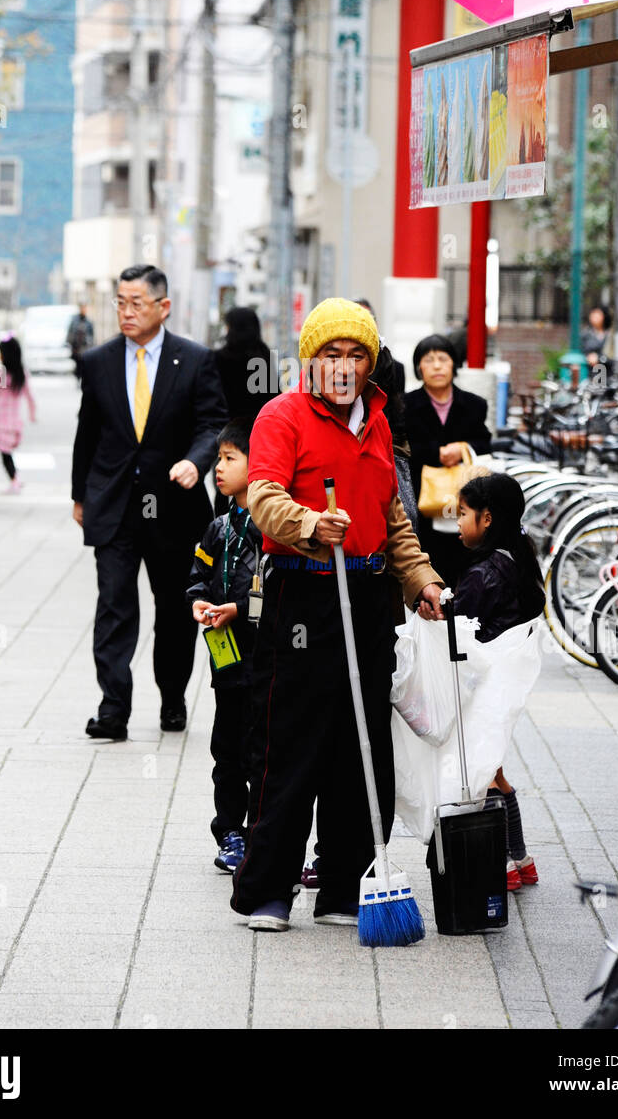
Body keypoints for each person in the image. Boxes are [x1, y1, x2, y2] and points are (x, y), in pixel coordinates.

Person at [230, 298, 444, 932]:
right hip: (304, 596)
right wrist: (309, 524)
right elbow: (263, 496)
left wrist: (422, 580)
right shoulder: (282, 414)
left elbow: (392, 519)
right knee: (291, 744)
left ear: (370, 363)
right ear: (311, 360)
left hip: (369, 595)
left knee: (361, 747)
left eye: (356, 355)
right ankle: (268, 889)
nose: (344, 366)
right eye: (331, 354)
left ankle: (345, 887)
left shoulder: (378, 422)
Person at [71, 264, 227, 740]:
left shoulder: (194, 360)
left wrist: (196, 462)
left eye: (136, 303)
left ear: (164, 307)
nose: (126, 311)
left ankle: (173, 697)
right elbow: (87, 433)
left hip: (174, 508)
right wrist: (80, 496)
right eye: (120, 302)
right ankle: (113, 708)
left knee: (175, 610)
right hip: (114, 506)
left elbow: (212, 423)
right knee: (114, 606)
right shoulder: (98, 361)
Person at [454, 471, 545, 892]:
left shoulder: (484, 573)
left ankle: (501, 865)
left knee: (485, 775)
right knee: (496, 771)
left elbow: (461, 630)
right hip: (508, 682)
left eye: (463, 513)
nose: (457, 522)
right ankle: (521, 858)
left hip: (483, 685)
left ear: (486, 518)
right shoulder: (520, 559)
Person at [187, 420, 261, 875]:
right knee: (226, 750)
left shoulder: (271, 528)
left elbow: (276, 593)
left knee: (261, 753)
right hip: (226, 662)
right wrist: (199, 601)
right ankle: (230, 831)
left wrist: (238, 609)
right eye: (218, 458)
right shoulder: (218, 528)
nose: (219, 467)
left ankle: (261, 834)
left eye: (230, 458)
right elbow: (198, 575)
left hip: (265, 659)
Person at [404, 333, 492, 588]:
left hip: (464, 500)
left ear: (454, 364)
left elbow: (484, 443)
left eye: (443, 359)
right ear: (419, 368)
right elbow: (403, 448)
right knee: (429, 567)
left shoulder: (475, 405)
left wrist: (462, 448)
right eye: (428, 360)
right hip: (423, 500)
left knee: (465, 568)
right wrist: (437, 453)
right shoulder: (405, 406)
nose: (437, 366)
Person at [212, 307, 278, 516]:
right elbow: (273, 397)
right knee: (257, 486)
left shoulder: (219, 358)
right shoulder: (264, 356)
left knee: (223, 487)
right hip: (258, 435)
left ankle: (224, 528)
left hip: (227, 434)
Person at [0, 335, 37, 494]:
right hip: (15, 421)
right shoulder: (21, 374)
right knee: (7, 453)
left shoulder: (1, 374)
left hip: (1, 421)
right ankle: (16, 480)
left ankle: (15, 481)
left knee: (5, 454)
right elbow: (30, 397)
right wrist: (32, 414)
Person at [66, 304, 94, 383]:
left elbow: (91, 335)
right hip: (76, 348)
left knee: (83, 364)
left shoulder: (88, 322)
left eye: (85, 308)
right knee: (78, 364)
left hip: (85, 348)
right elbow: (70, 333)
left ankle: (82, 378)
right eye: (82, 308)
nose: (83, 310)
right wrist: (70, 344)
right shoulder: (75, 321)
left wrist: (91, 345)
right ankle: (77, 377)